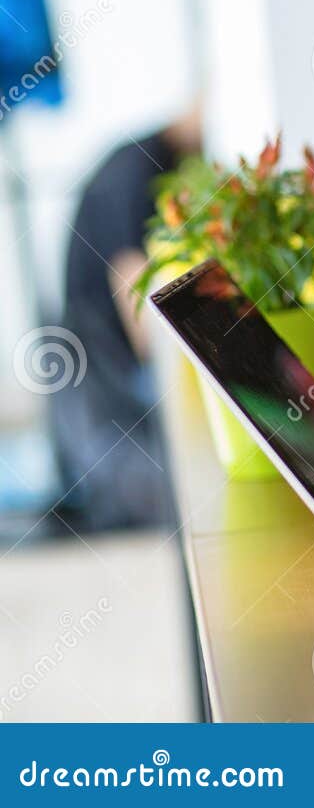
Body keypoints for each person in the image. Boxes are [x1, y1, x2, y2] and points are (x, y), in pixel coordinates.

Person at [51, 108, 202, 531]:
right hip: (99, 365)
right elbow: (132, 283)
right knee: (171, 495)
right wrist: (174, 380)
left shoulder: (152, 157)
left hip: (106, 359)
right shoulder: (140, 166)